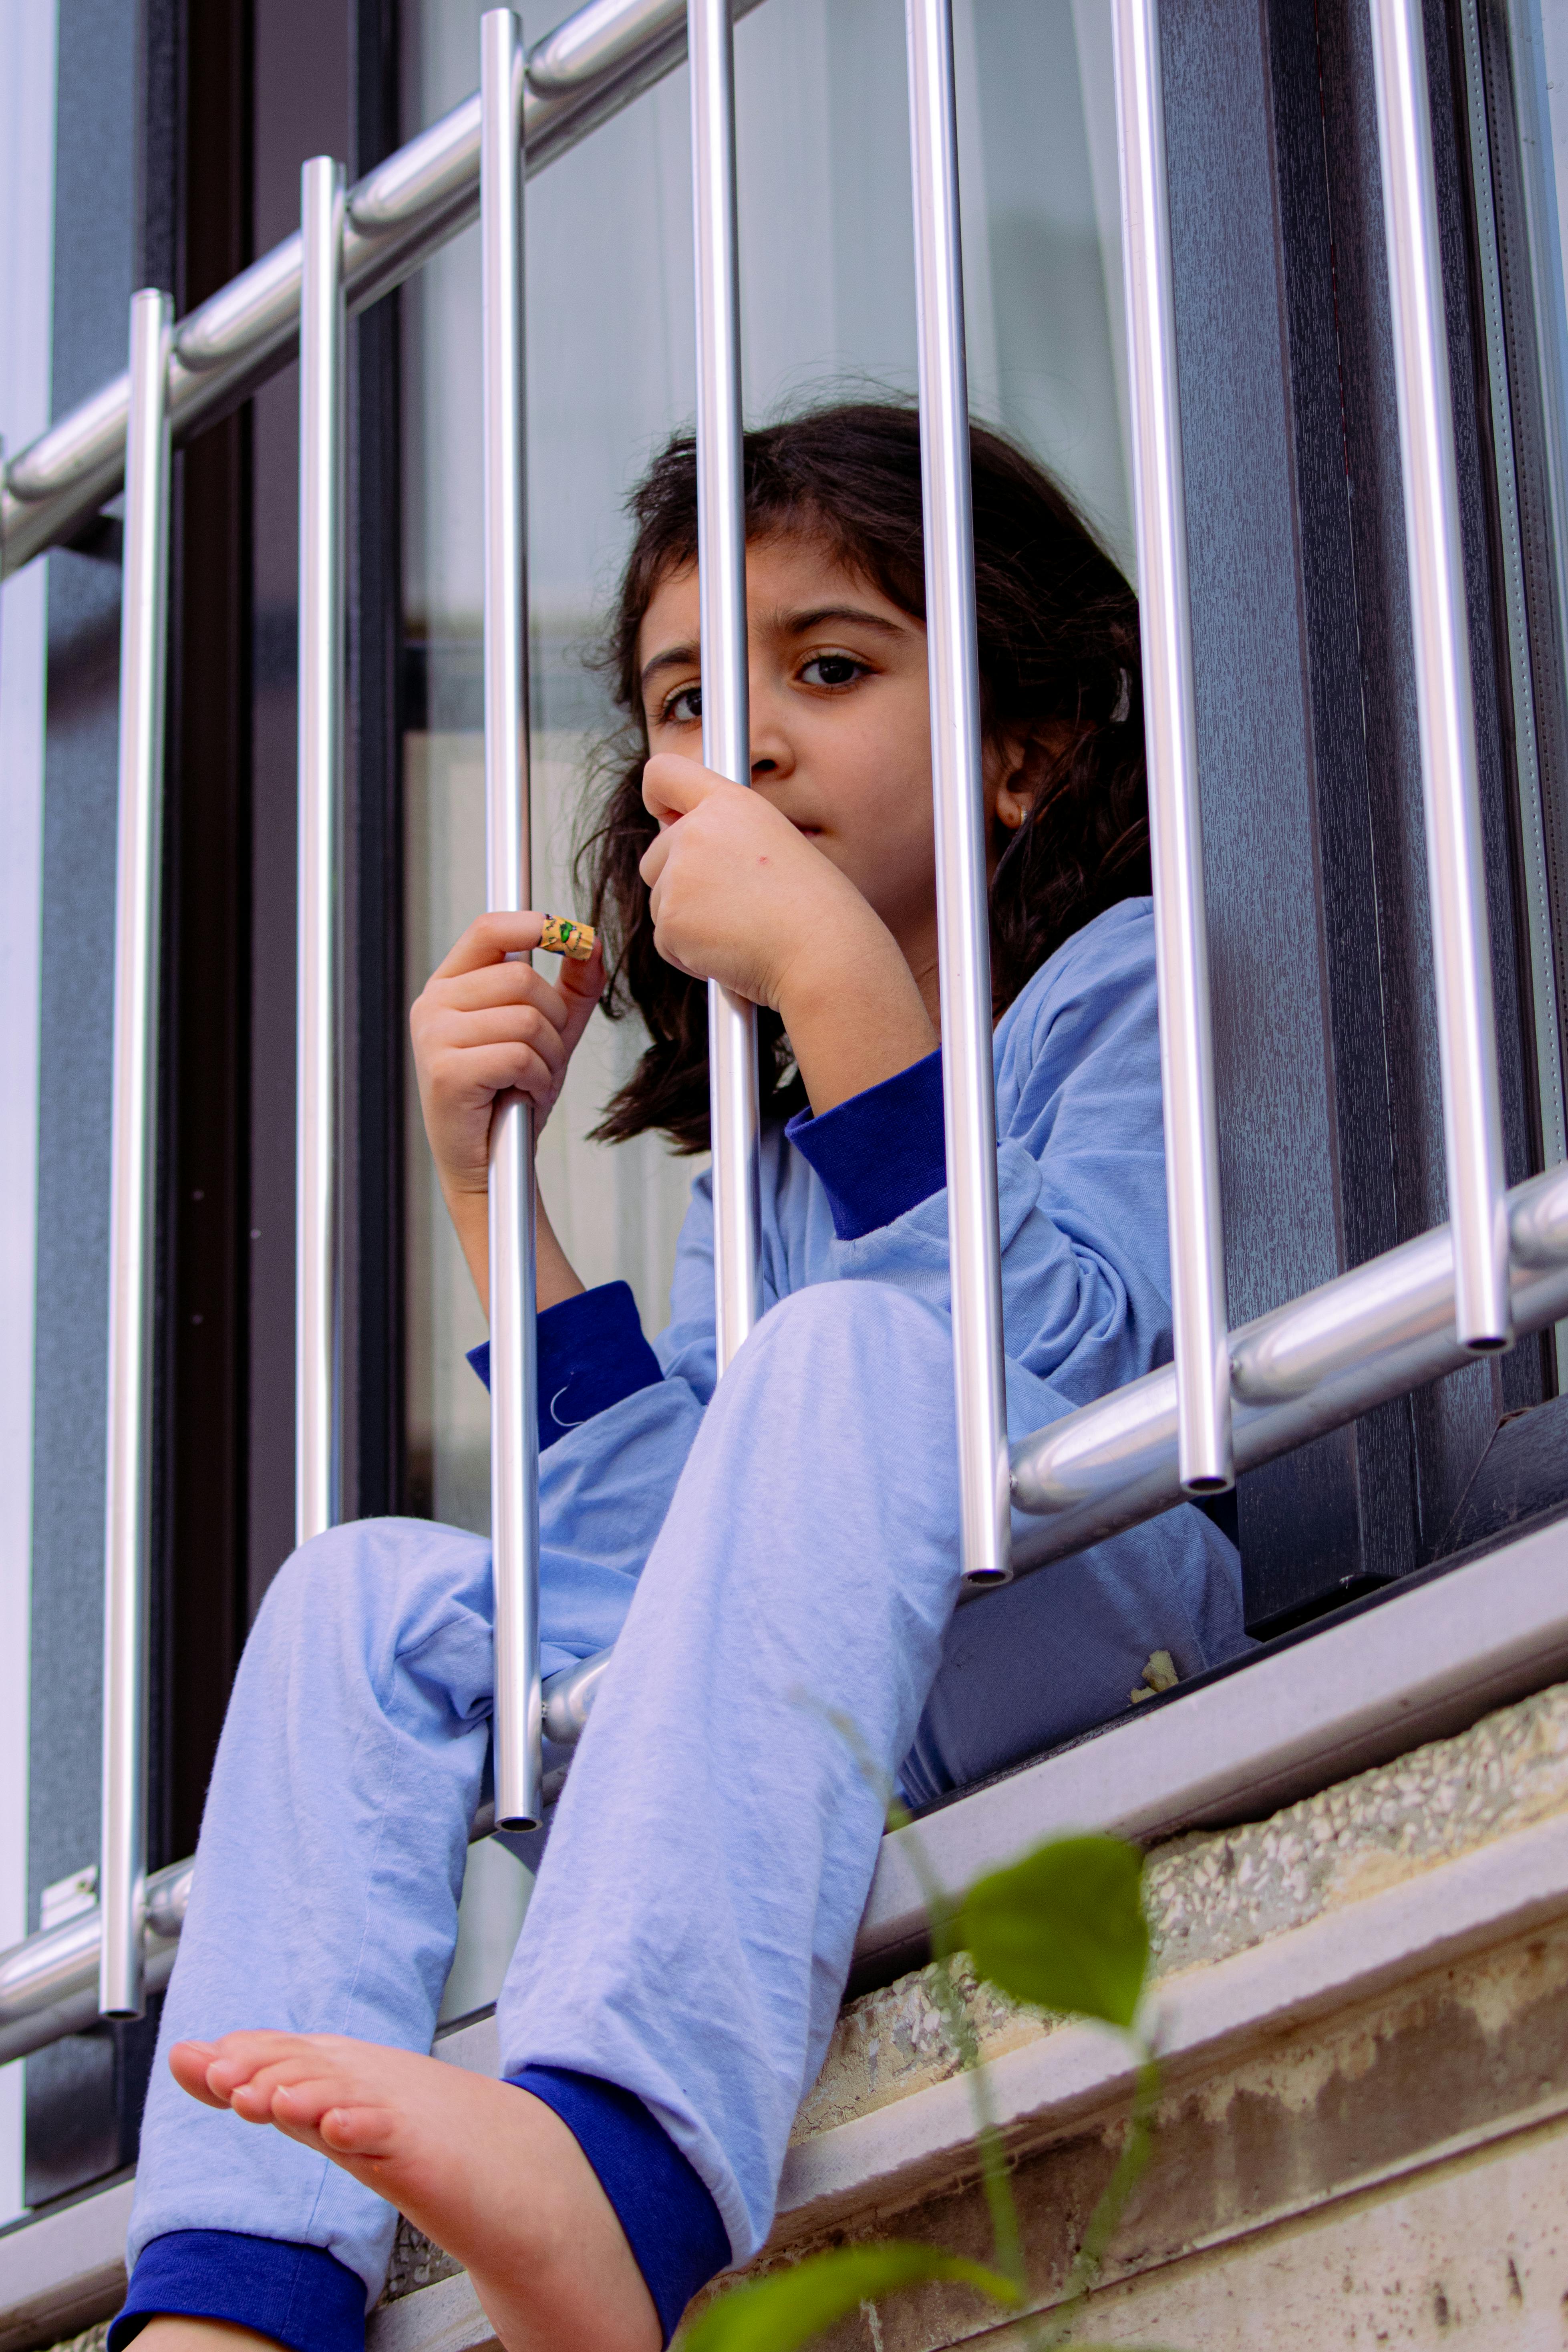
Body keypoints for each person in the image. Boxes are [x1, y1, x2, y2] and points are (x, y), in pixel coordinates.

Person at [110, 405, 1247, 2352]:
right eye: (687, 700)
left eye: (829, 667)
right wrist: (498, 1204)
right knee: (360, 1598)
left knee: (853, 1345)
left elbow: (1058, 1383)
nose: (752, 741)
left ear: (1021, 749)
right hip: (844, 1756)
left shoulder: (1117, 985)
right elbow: (675, 1561)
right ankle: (230, 2295)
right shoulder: (769, 1165)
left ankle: (619, 2163)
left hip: (1098, 1637)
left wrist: (848, 1005)